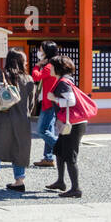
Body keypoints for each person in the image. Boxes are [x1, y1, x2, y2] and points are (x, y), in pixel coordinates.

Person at [0, 48, 34, 193]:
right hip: (22, 119)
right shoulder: (28, 79)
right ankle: (19, 181)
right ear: (22, 62)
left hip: (3, 118)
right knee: (19, 148)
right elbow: (32, 103)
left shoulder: (1, 74)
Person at [46, 55, 86, 198]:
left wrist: (54, 98)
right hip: (72, 123)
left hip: (73, 124)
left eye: (51, 66)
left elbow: (71, 101)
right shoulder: (65, 80)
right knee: (58, 150)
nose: (49, 68)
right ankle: (60, 181)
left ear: (58, 68)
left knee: (70, 156)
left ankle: (76, 188)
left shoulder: (63, 82)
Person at [32, 40, 60, 169]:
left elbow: (36, 77)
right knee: (49, 129)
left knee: (41, 130)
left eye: (41, 49)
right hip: (51, 101)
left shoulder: (49, 66)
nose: (39, 52)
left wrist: (37, 65)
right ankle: (48, 158)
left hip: (49, 103)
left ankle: (61, 147)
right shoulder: (53, 64)